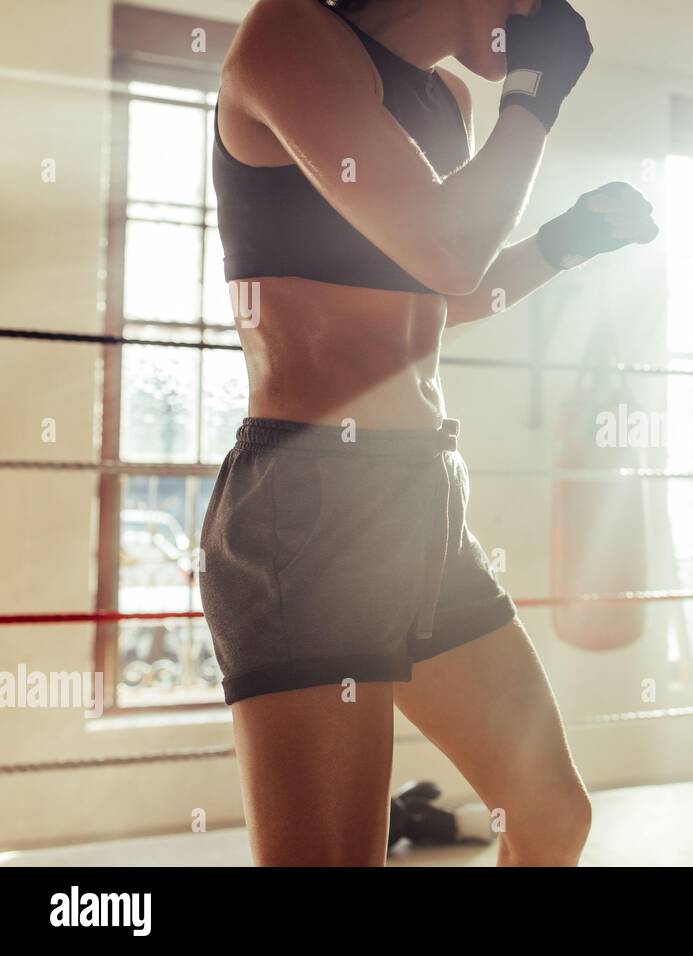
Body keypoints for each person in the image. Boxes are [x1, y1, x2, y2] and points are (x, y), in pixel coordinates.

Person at [200, 0, 658, 866]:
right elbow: (450, 248)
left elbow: (434, 297)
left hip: (426, 498)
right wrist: (537, 90)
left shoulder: (446, 102)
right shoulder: (289, 34)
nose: (538, 15)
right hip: (312, 508)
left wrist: (563, 243)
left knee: (551, 816)